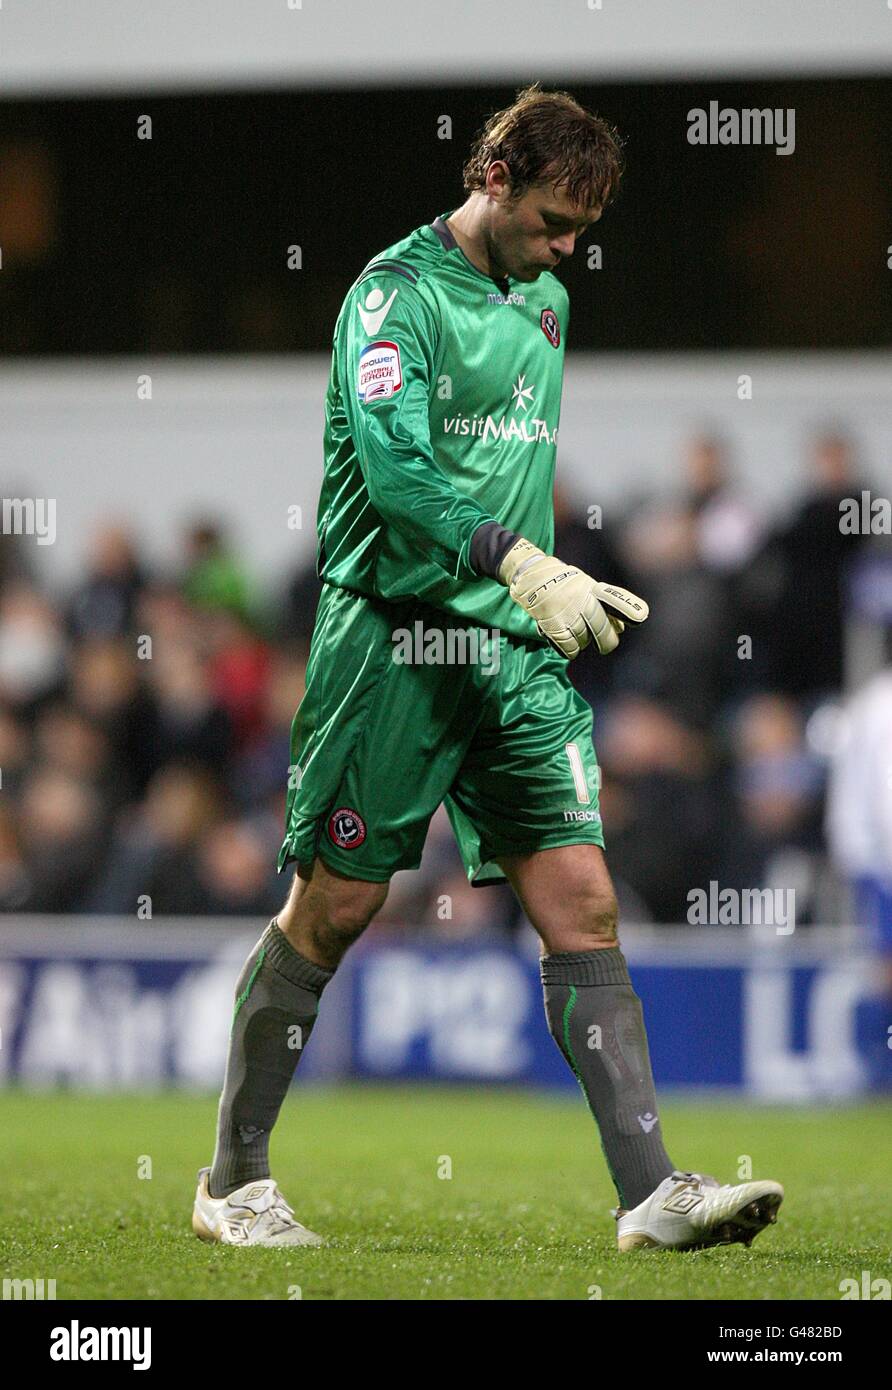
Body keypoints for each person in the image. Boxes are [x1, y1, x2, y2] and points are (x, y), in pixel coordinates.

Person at [193, 85, 783, 1252]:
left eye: (583, 234)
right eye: (558, 221)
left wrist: (536, 581)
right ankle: (231, 1182)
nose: (569, 250)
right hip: (398, 640)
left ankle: (648, 1192)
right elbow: (398, 474)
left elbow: (507, 457)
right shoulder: (390, 297)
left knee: (584, 904)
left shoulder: (549, 300)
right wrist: (519, 559)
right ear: (496, 175)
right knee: (336, 908)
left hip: (514, 651)